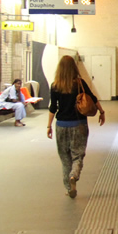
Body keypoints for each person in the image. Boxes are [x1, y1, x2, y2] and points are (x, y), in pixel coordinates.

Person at [46, 56, 105, 198]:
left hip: (61, 125)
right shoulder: (80, 83)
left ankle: (68, 188)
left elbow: (53, 107)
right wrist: (102, 112)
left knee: (65, 157)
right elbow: (93, 98)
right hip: (79, 124)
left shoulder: (55, 86)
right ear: (74, 68)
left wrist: (49, 126)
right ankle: (74, 175)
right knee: (78, 155)